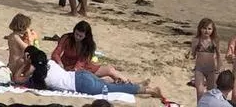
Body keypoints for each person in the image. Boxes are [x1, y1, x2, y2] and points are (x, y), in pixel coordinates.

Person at [13, 46, 162, 99]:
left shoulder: (35, 72)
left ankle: (151, 91)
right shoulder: (49, 62)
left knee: (113, 88)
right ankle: (137, 84)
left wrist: (25, 63)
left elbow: (16, 79)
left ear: (29, 58)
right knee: (108, 84)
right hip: (80, 75)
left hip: (81, 85)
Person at [52, 20, 130, 82]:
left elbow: (81, 63)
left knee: (110, 70)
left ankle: (127, 83)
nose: (77, 37)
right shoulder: (66, 38)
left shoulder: (89, 45)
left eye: (80, 36)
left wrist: (74, 70)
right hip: (64, 65)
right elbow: (56, 53)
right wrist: (59, 63)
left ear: (86, 36)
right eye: (76, 34)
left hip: (83, 67)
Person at [191, 18, 222, 100]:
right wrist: (193, 50)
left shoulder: (215, 40)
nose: (207, 31)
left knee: (211, 92)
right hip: (199, 69)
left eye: (209, 29)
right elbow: (193, 55)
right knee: (200, 92)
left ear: (213, 30)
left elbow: (219, 55)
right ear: (200, 28)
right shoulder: (196, 40)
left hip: (211, 70)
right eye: (204, 28)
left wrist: (218, 69)